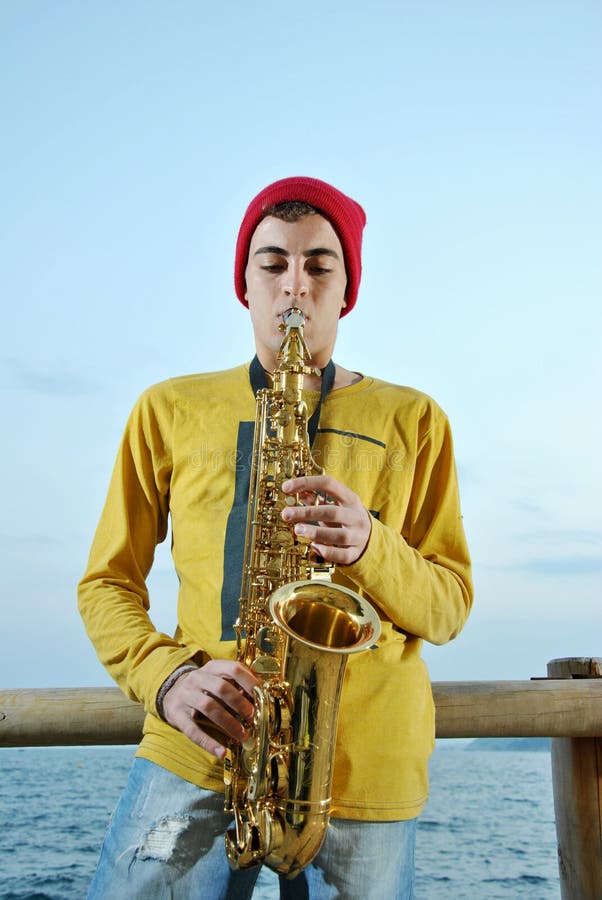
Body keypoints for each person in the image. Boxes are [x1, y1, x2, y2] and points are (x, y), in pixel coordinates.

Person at [78, 176, 473, 899]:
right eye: (274, 264)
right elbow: (106, 583)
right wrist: (166, 680)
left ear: (347, 287)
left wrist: (370, 547)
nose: (296, 286)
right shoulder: (167, 408)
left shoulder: (416, 418)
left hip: (361, 778)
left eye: (319, 265)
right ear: (246, 285)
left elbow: (449, 606)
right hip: (197, 748)